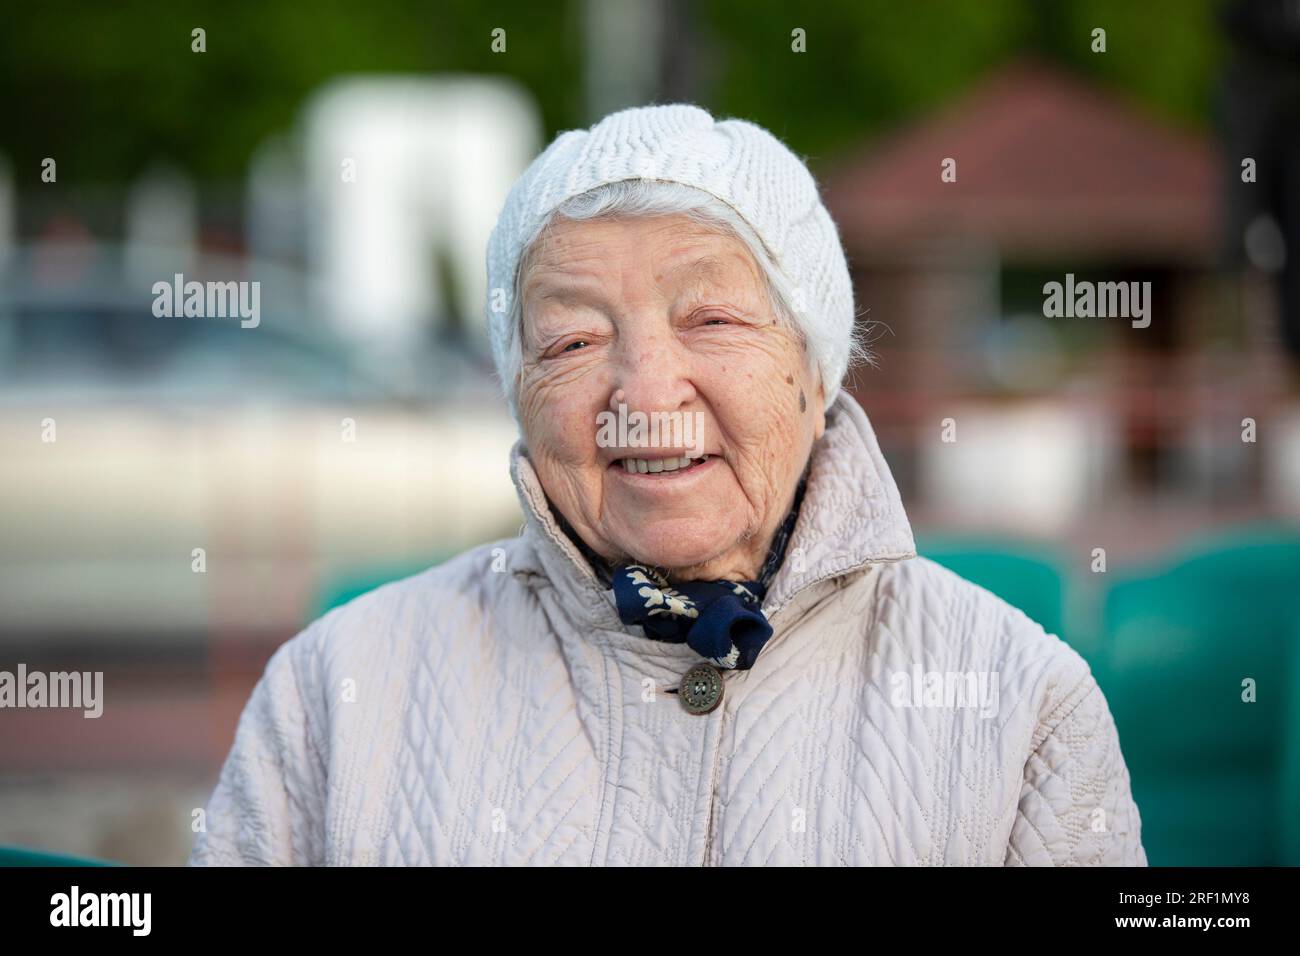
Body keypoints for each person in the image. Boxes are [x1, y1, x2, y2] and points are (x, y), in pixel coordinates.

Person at [190, 103, 1145, 866]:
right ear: (518, 394)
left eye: (714, 320)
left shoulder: (1025, 703)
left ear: (817, 374)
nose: (644, 389)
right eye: (572, 340)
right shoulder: (332, 692)